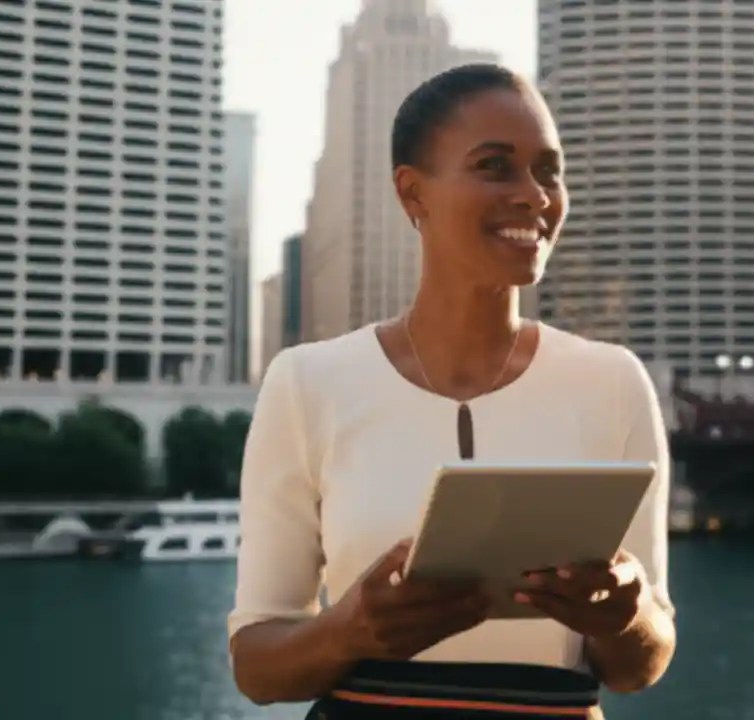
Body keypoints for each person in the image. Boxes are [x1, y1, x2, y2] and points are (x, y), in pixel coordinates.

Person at [228, 63, 676, 718]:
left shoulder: (612, 381)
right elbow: (258, 668)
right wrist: (349, 629)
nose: (535, 196)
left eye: (549, 170)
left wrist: (626, 613)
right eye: (495, 166)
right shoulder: (307, 382)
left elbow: (641, 664)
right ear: (413, 194)